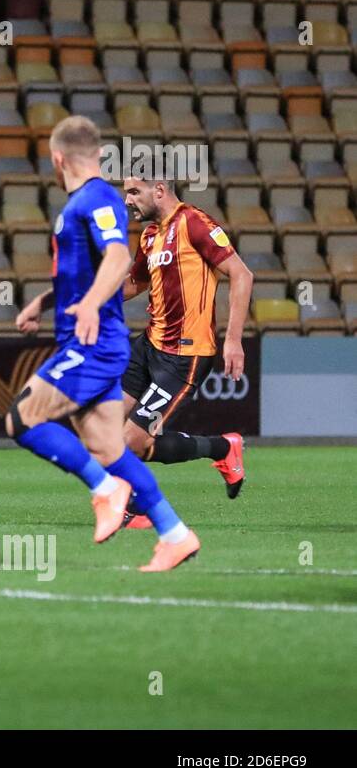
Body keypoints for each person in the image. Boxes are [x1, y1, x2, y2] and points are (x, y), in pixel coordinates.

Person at [10, 117, 199, 572]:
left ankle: (104, 489)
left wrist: (92, 304)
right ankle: (175, 534)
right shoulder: (87, 201)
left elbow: (116, 257)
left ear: (58, 159)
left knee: (21, 419)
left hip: (93, 344)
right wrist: (46, 300)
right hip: (92, 339)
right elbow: (89, 269)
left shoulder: (97, 199)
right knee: (111, 450)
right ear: (97, 156)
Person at [119, 174, 253, 528]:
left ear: (159, 190)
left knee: (131, 442)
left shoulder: (193, 222)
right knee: (104, 428)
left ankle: (218, 451)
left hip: (184, 357)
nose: (128, 200)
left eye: (134, 192)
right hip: (149, 346)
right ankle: (224, 450)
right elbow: (135, 283)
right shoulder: (150, 236)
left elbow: (242, 275)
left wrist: (233, 339)